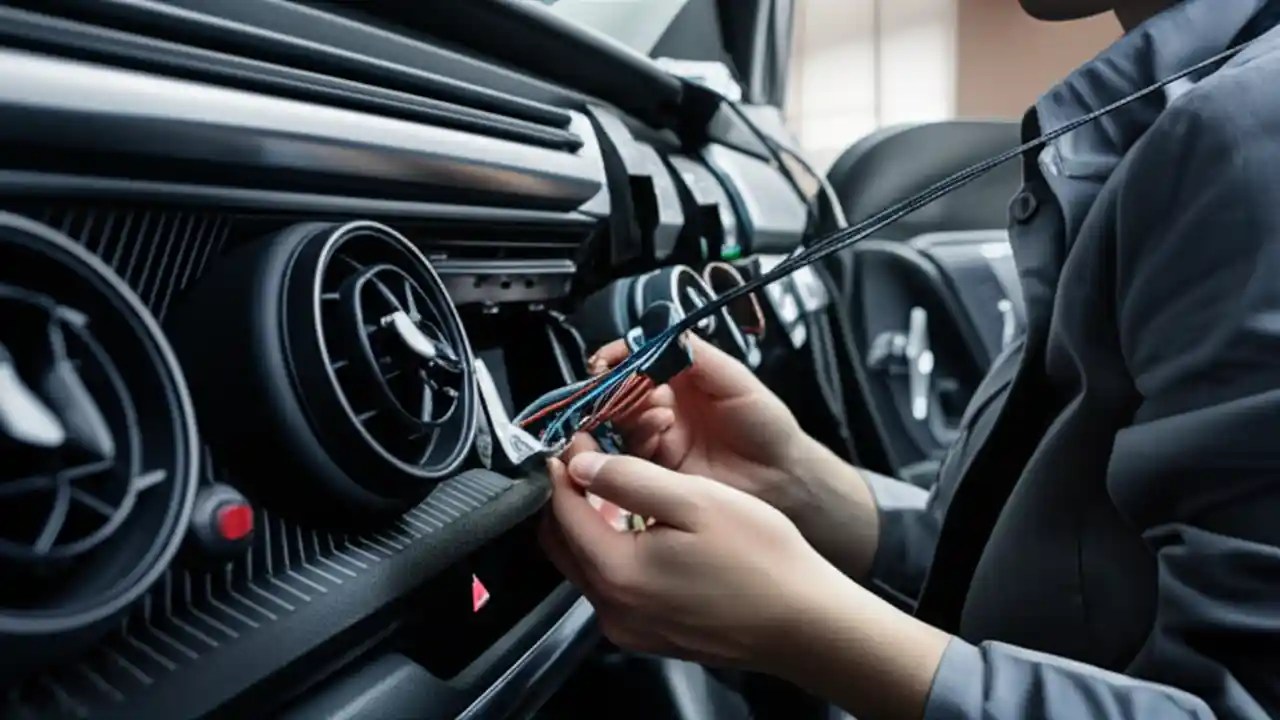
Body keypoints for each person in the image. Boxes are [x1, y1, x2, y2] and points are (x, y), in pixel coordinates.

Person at [539, 0, 1280, 718]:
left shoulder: (1248, 136)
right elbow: (1073, 589)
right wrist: (797, 483)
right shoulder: (1182, 115)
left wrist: (806, 631)